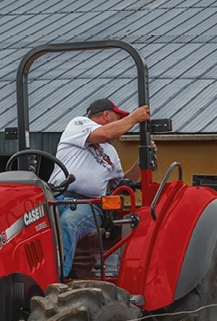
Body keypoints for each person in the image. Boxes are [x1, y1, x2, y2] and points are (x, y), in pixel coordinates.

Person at [49, 98, 150, 278]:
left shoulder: (111, 152)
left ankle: (55, 279)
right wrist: (134, 118)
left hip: (88, 204)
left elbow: (120, 183)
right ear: (105, 115)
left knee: (69, 223)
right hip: (56, 197)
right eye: (118, 118)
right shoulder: (78, 124)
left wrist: (142, 161)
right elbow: (105, 134)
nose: (121, 123)